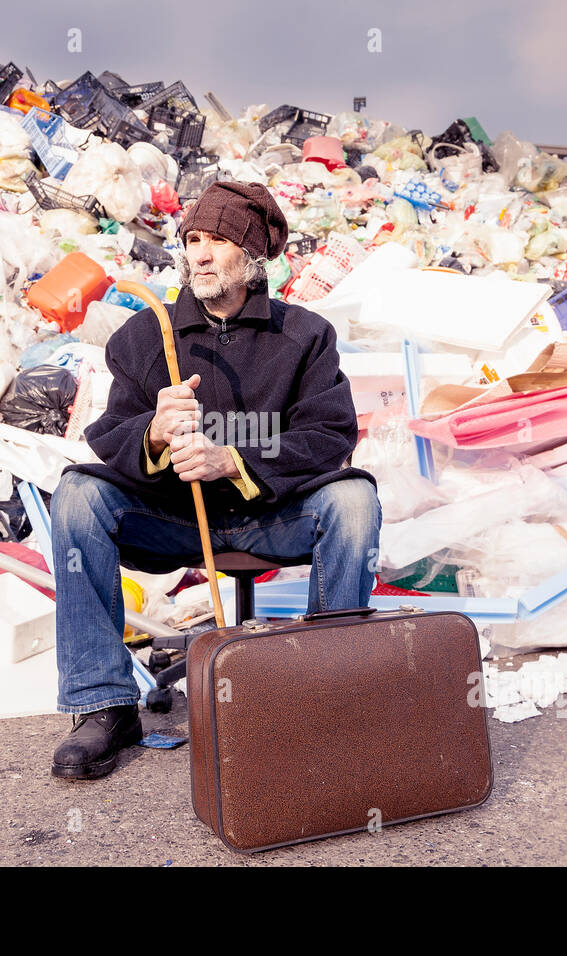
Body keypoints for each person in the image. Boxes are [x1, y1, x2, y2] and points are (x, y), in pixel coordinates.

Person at [48, 181, 382, 779]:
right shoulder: (146, 335)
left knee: (354, 498)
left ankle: (330, 698)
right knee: (78, 492)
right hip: (174, 519)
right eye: (192, 239)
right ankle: (104, 704)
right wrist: (151, 433)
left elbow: (328, 435)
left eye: (219, 241)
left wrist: (236, 461)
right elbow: (112, 432)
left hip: (273, 515)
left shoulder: (304, 336)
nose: (199, 254)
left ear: (252, 257)